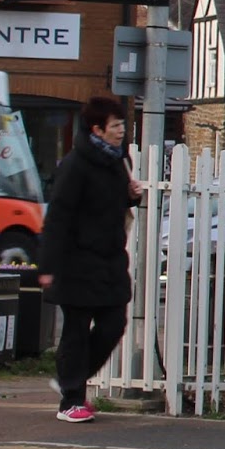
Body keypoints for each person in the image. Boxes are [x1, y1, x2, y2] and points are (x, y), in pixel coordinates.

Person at [38, 97, 141, 423]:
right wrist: (48, 266)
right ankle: (71, 400)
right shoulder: (75, 165)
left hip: (110, 259)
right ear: (97, 130)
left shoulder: (117, 161)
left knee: (114, 324)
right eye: (115, 126)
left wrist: (131, 196)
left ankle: (72, 377)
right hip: (76, 260)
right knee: (76, 330)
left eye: (122, 125)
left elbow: (112, 204)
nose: (121, 131)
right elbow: (58, 217)